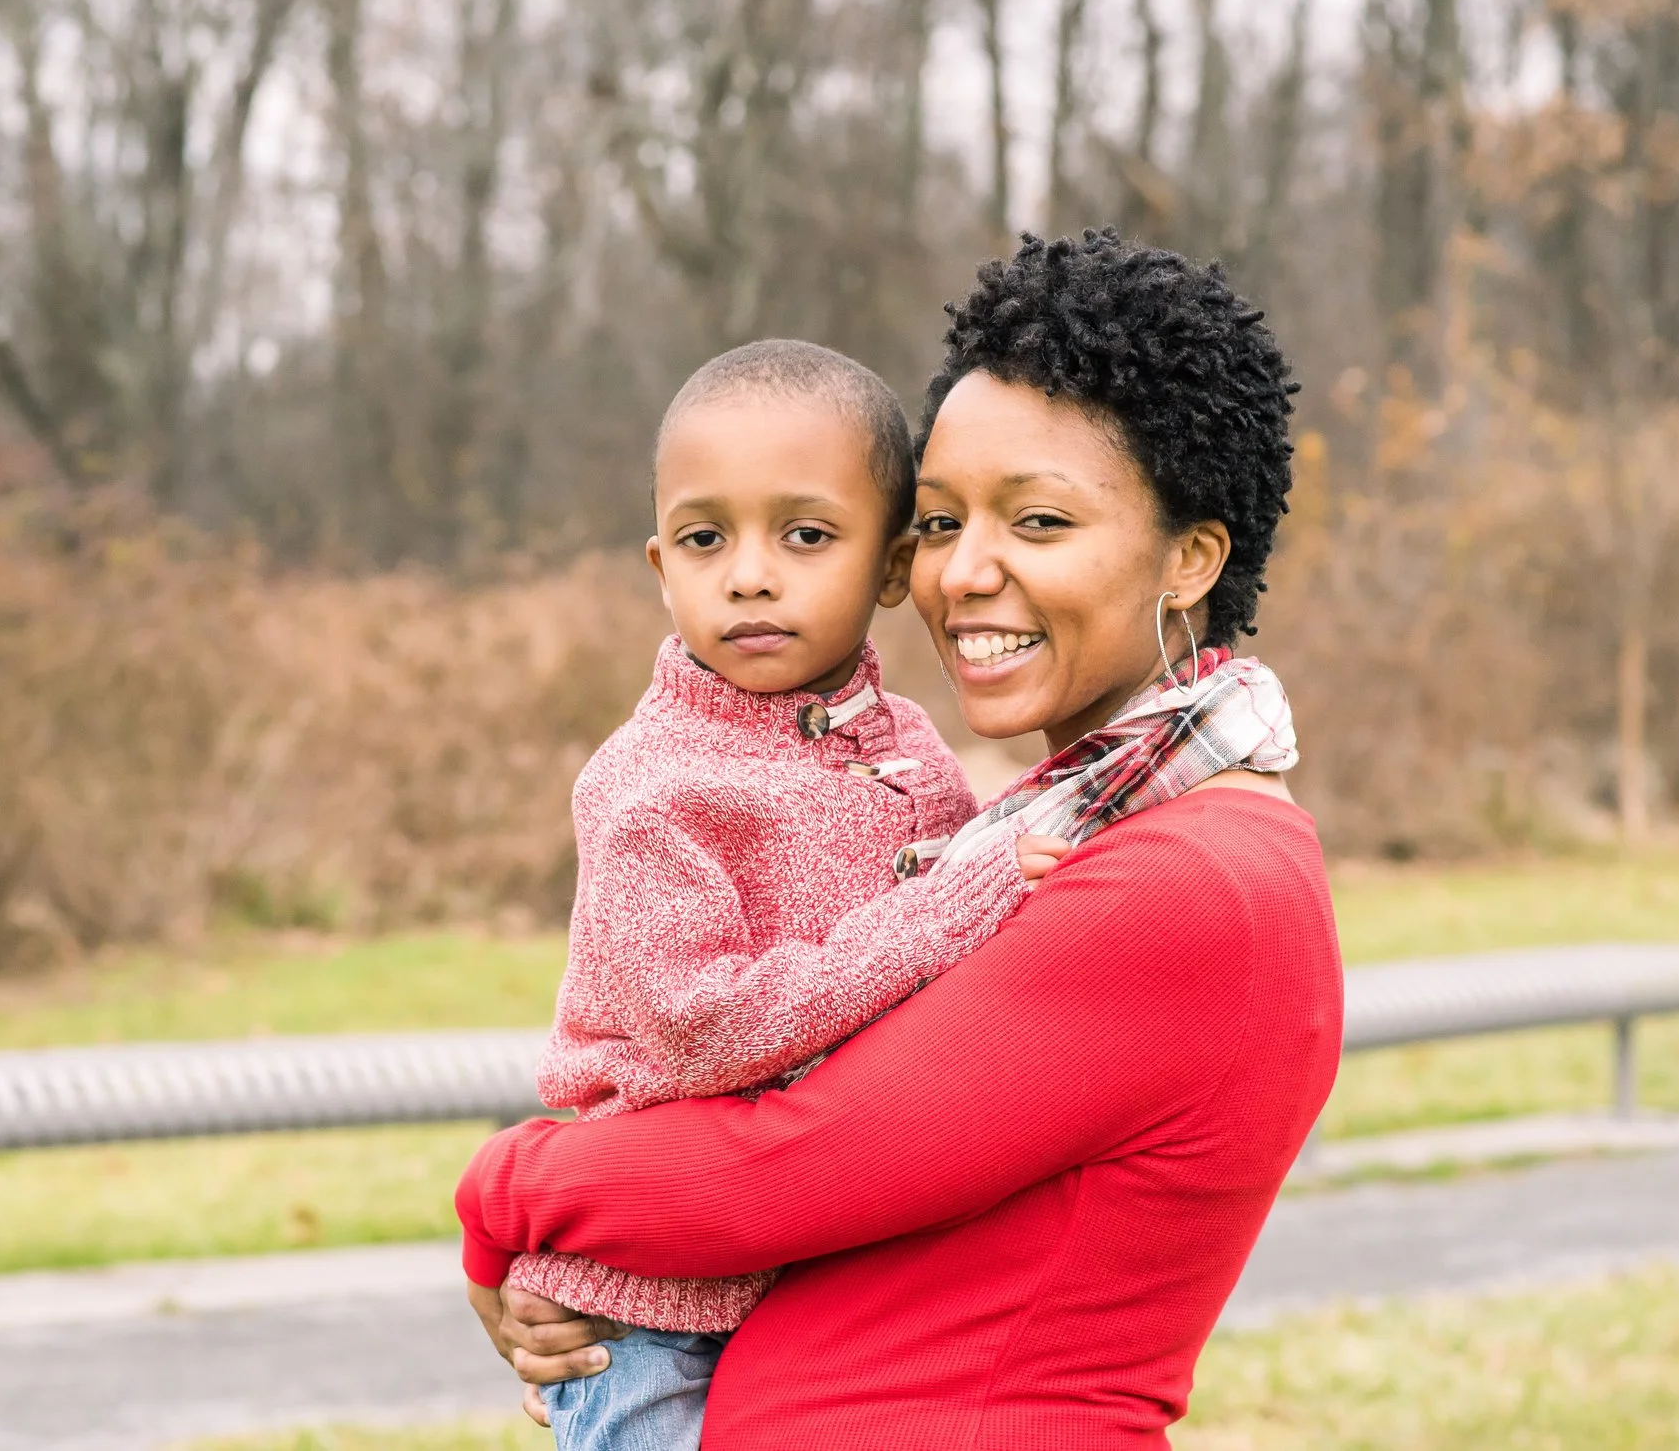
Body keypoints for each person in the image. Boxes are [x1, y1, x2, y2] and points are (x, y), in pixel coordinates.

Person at [459, 230, 1341, 1449]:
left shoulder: (1189, 882)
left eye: (1036, 521)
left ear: (1188, 557)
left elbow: (769, 1175)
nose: (963, 573)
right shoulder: (1070, 820)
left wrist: (504, 1193)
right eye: (937, 521)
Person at [513, 338, 1058, 1451]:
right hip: (648, 1307)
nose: (750, 574)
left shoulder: (909, 752)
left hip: (821, 1273)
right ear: (662, 566)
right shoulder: (651, 787)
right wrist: (947, 907)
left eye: (805, 535)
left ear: (893, 568)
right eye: (707, 539)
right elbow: (707, 1031)